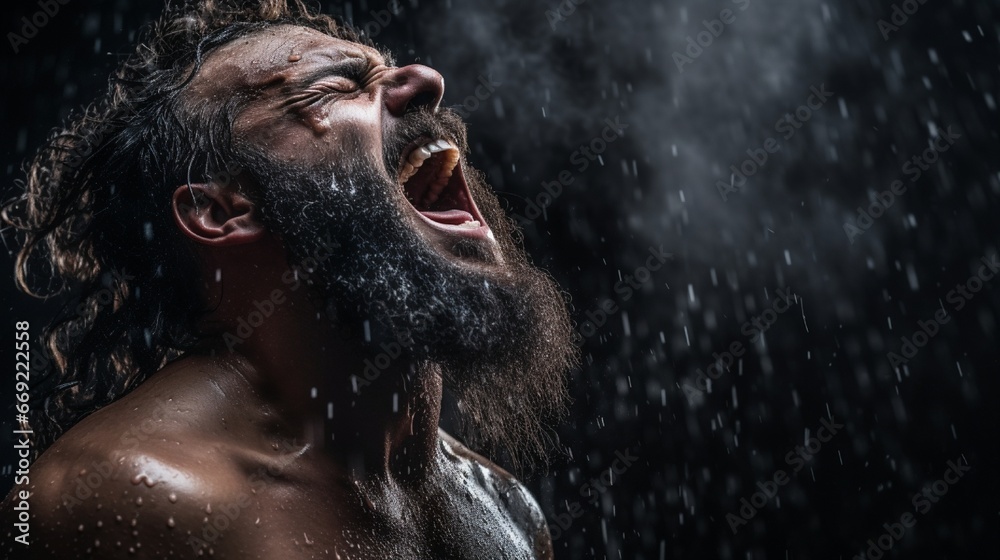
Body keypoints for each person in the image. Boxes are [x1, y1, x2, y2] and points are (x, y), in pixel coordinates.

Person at [0, 1, 578, 557]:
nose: (426, 79)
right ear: (224, 211)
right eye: (332, 89)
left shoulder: (505, 509)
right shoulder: (129, 498)